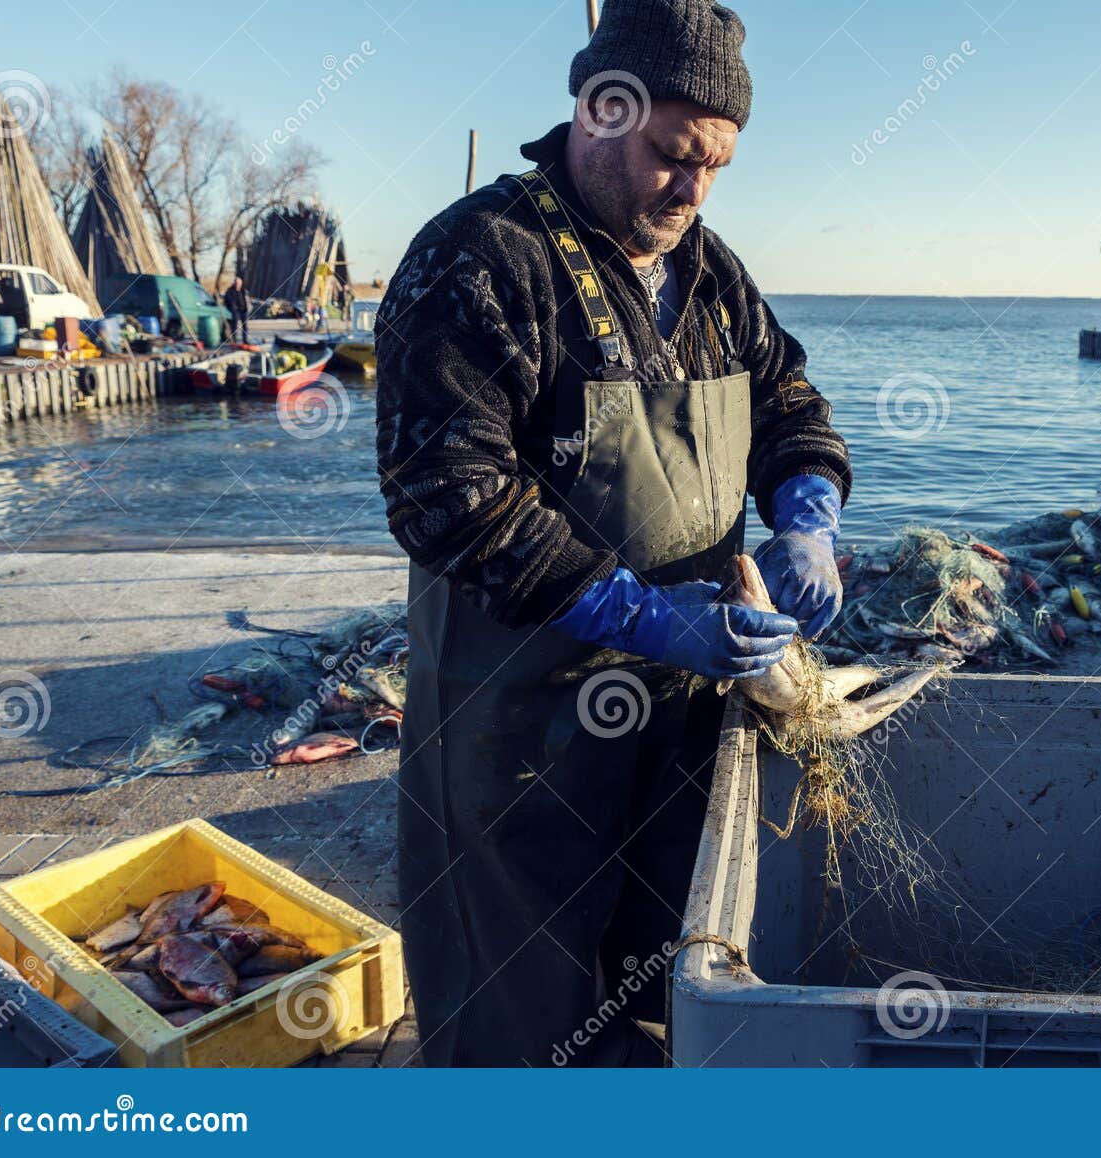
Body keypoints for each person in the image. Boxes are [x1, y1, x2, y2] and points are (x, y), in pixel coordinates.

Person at [374, 0, 851, 1067]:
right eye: (671, 156)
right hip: (518, 735)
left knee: (664, 967)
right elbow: (444, 494)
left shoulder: (714, 276)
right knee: (517, 1015)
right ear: (596, 108)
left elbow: (790, 409)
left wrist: (809, 511)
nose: (690, 191)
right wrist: (635, 612)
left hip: (673, 733)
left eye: (715, 167)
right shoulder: (480, 259)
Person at [223, 277, 250, 343]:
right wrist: (232, 308)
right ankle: (234, 340)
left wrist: (247, 308)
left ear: (241, 284)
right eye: (236, 283)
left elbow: (247, 300)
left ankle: (245, 340)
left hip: (243, 310)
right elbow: (227, 302)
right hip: (235, 311)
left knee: (245, 326)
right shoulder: (229, 291)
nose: (237, 284)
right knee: (234, 326)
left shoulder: (243, 291)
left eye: (239, 283)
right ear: (234, 283)